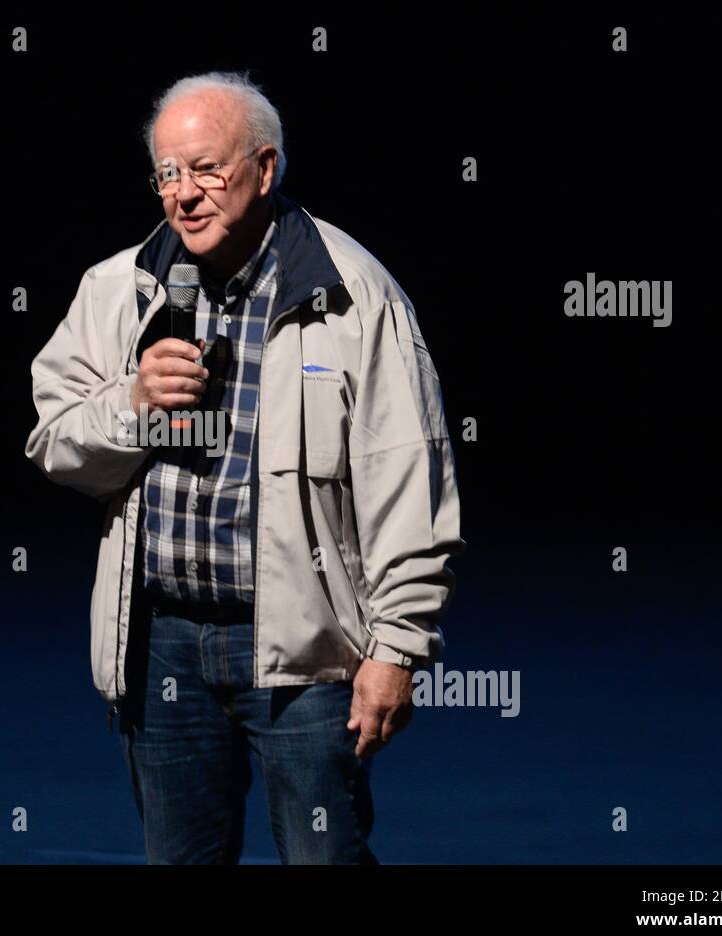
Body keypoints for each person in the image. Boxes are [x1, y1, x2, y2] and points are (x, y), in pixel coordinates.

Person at [25, 71, 465, 864]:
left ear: (266, 169)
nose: (184, 195)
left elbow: (408, 483)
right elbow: (53, 440)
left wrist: (397, 648)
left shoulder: (354, 296)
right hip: (161, 644)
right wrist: (131, 401)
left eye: (206, 169)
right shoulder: (117, 290)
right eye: (167, 173)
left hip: (305, 653)